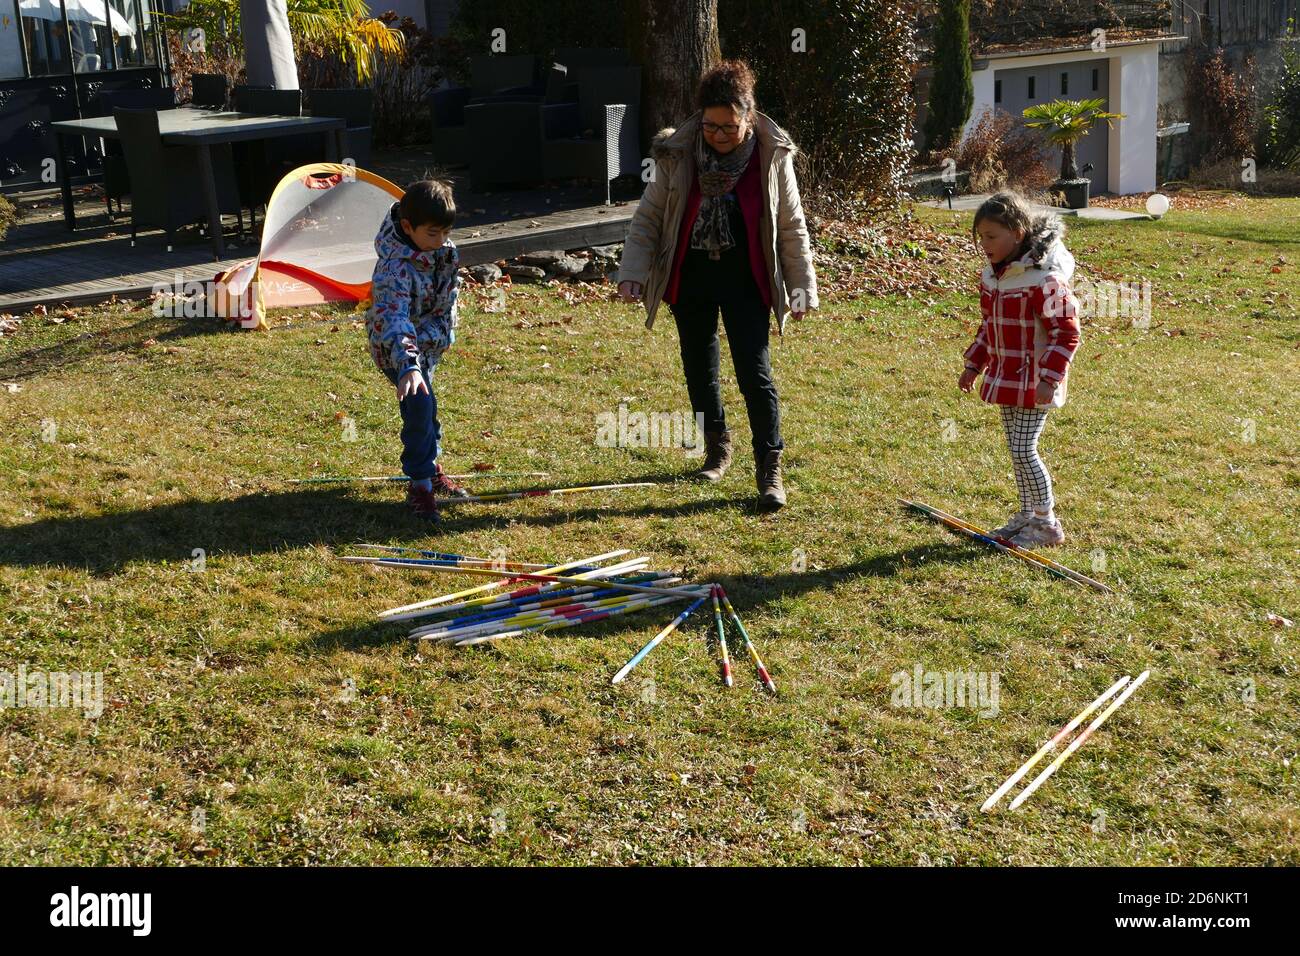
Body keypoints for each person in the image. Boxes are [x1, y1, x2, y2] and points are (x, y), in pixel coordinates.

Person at [618, 59, 818, 511]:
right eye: (710, 125)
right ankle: (717, 448)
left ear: (749, 117)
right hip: (690, 276)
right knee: (698, 368)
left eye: (729, 126)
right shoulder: (678, 152)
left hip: (747, 278)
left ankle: (769, 467)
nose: (718, 135)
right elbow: (650, 217)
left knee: (755, 373)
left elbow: (791, 226)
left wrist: (803, 284)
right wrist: (632, 272)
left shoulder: (771, 156)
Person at [959, 191, 1082, 547]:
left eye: (992, 236)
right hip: (1006, 375)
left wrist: (1050, 379)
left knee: (1024, 449)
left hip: (1035, 380)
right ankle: (1027, 514)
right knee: (1016, 447)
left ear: (1017, 232)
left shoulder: (1044, 279)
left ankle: (1047, 522)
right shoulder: (994, 277)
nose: (985, 244)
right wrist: (974, 364)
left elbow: (1067, 331)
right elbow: (989, 325)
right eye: (980, 236)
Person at [367, 179, 471, 521]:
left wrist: (440, 335)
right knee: (419, 407)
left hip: (427, 346)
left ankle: (432, 466)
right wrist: (408, 364)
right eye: (433, 233)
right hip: (396, 349)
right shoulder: (393, 269)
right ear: (408, 226)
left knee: (428, 408)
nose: (441, 240)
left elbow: (445, 297)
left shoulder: (441, 250)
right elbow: (394, 317)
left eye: (446, 232)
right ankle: (421, 484)